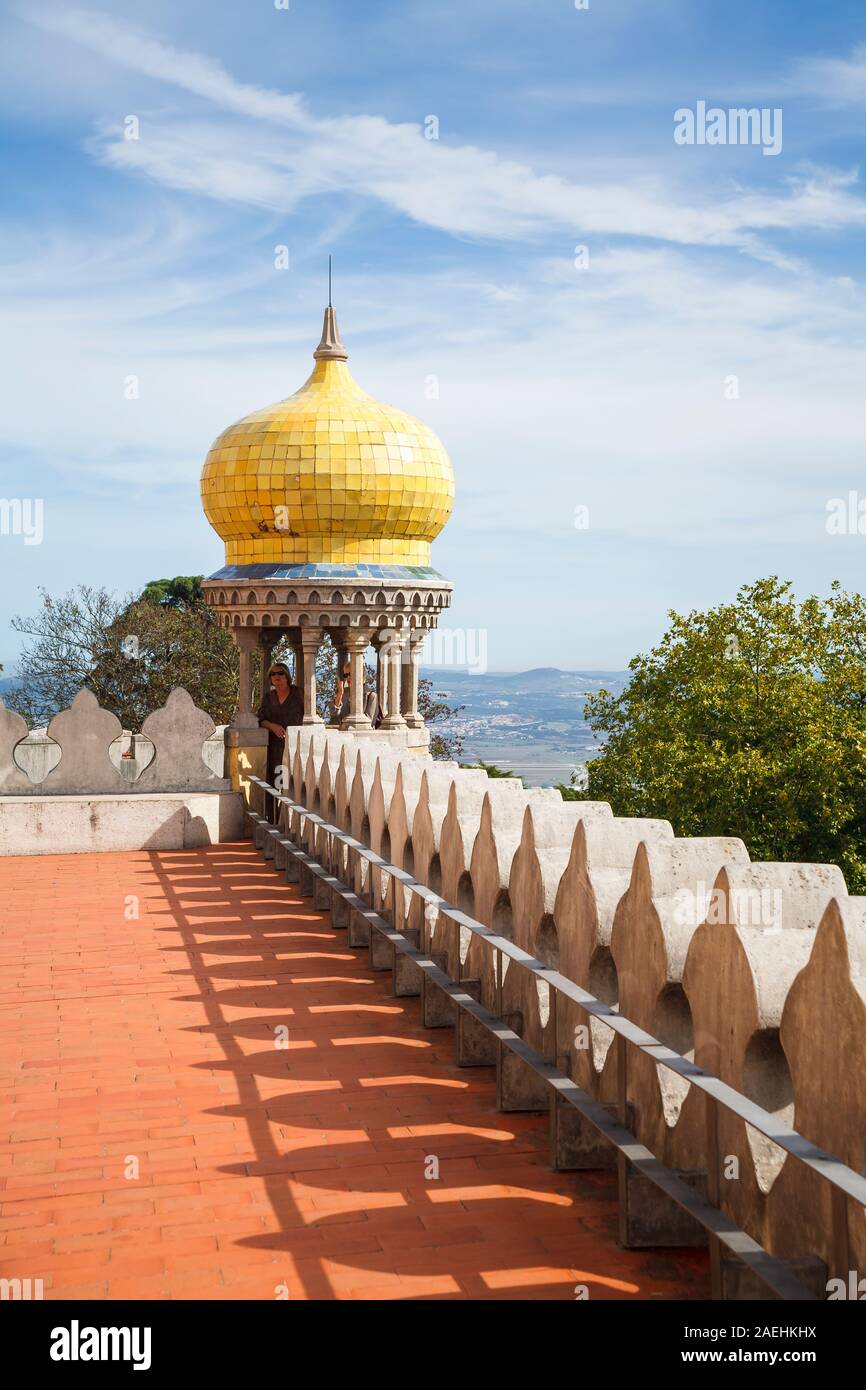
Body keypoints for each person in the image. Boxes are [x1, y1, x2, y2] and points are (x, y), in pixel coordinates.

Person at [257, 662, 303, 822]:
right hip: (276, 748)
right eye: (273, 674)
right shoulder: (269, 698)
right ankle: (274, 821)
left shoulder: (298, 694)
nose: (277, 677)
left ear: (287, 676)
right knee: (276, 782)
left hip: (297, 747)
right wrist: (272, 726)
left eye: (280, 673)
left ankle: (292, 822)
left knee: (294, 785)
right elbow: (261, 719)